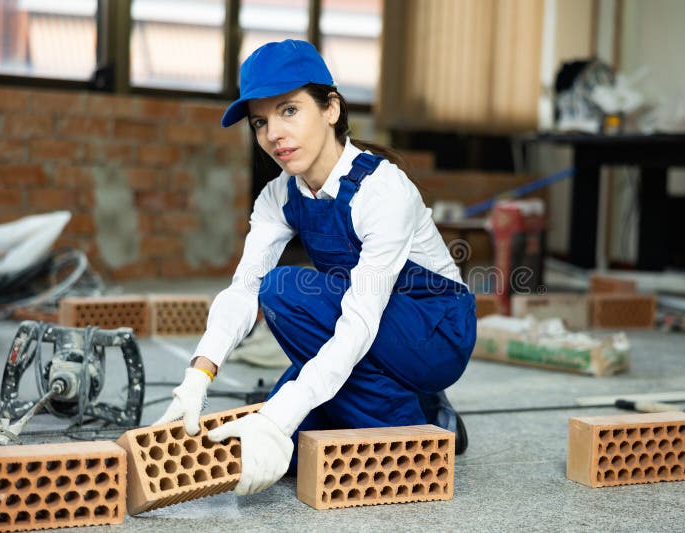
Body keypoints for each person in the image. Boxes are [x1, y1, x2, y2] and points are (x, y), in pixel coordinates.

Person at [155, 39, 477, 496]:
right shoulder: (279, 195)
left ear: (331, 108)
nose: (274, 135)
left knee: (286, 291)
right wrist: (198, 374)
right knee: (288, 437)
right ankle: (423, 406)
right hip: (373, 324)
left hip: (435, 328)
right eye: (260, 123)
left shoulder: (382, 190)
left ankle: (415, 429)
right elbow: (242, 288)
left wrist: (277, 416)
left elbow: (360, 320)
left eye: (289, 111)